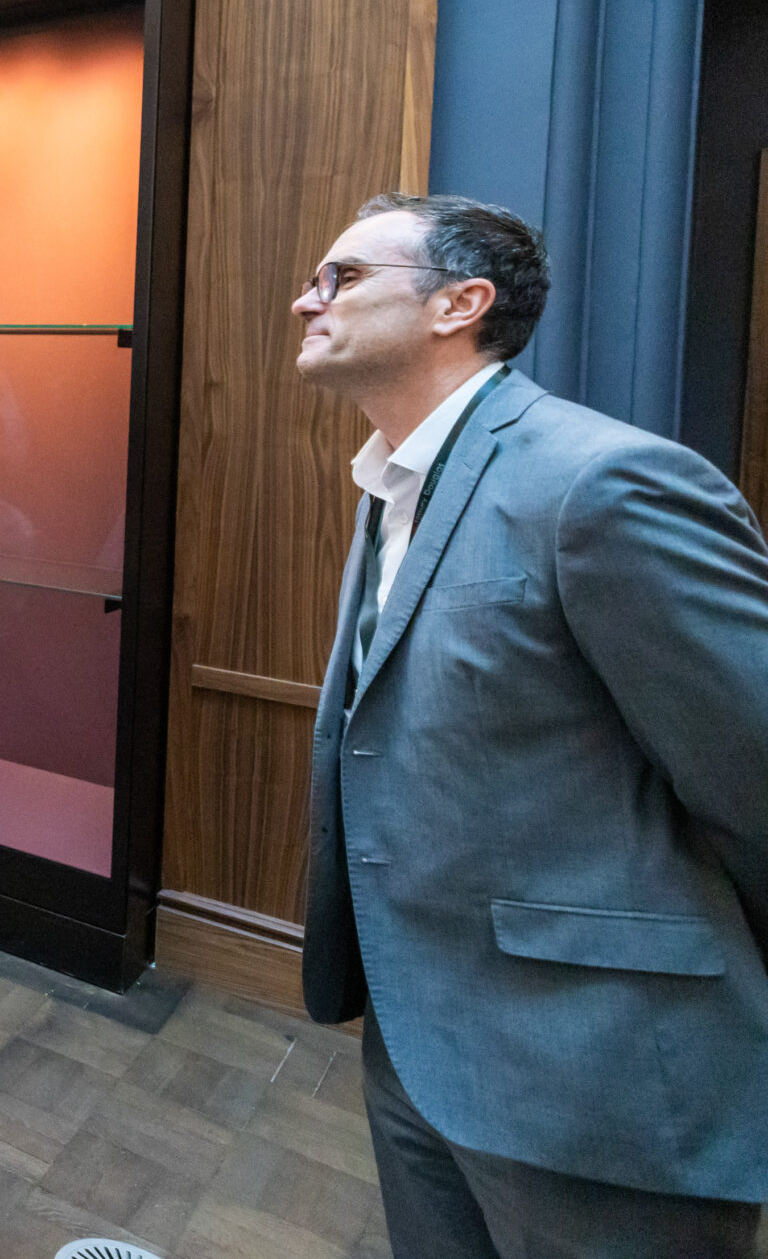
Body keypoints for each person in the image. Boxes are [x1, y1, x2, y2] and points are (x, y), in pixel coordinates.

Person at [291, 193, 768, 1257]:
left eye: (343, 278)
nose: (304, 300)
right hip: (419, 1039)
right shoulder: (392, 486)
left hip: (597, 1078)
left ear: (460, 302)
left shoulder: (599, 481)